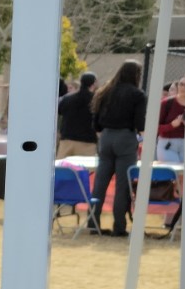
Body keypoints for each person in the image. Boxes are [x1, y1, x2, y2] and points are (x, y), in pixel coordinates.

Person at [91, 59, 147, 236]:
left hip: (106, 137)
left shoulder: (104, 91)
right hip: (126, 137)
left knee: (100, 183)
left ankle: (93, 223)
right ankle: (119, 226)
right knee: (123, 185)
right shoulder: (137, 95)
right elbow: (140, 123)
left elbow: (96, 122)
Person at [56, 73, 97, 159]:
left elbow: (59, 111)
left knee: (62, 169)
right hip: (87, 142)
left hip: (67, 140)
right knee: (86, 170)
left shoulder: (67, 99)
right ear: (93, 84)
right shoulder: (95, 100)